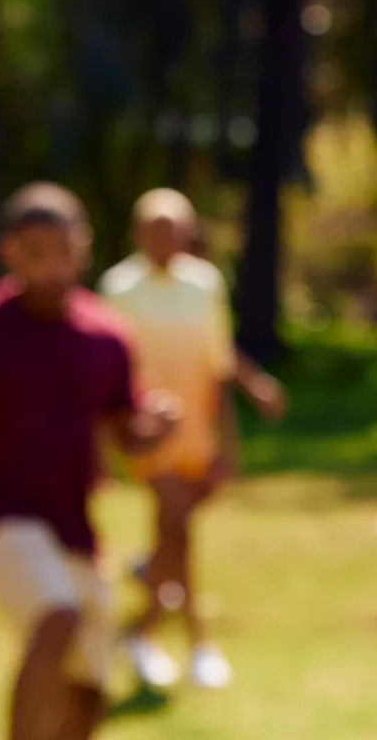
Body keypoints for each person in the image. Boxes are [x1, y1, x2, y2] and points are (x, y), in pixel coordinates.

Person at [0, 182, 178, 740]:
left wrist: (154, 428)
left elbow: (127, 433)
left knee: (93, 682)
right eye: (37, 254)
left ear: (84, 247)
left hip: (71, 525)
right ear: (11, 252)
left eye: (64, 252)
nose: (52, 268)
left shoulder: (106, 335)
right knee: (57, 618)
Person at [100, 188, 285, 691]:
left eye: (174, 229)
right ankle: (196, 641)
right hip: (144, 433)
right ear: (139, 234)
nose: (165, 240)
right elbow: (105, 370)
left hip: (197, 429)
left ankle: (147, 597)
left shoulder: (204, 283)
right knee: (178, 527)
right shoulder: (119, 287)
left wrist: (234, 430)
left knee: (174, 532)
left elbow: (217, 362)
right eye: (155, 230)